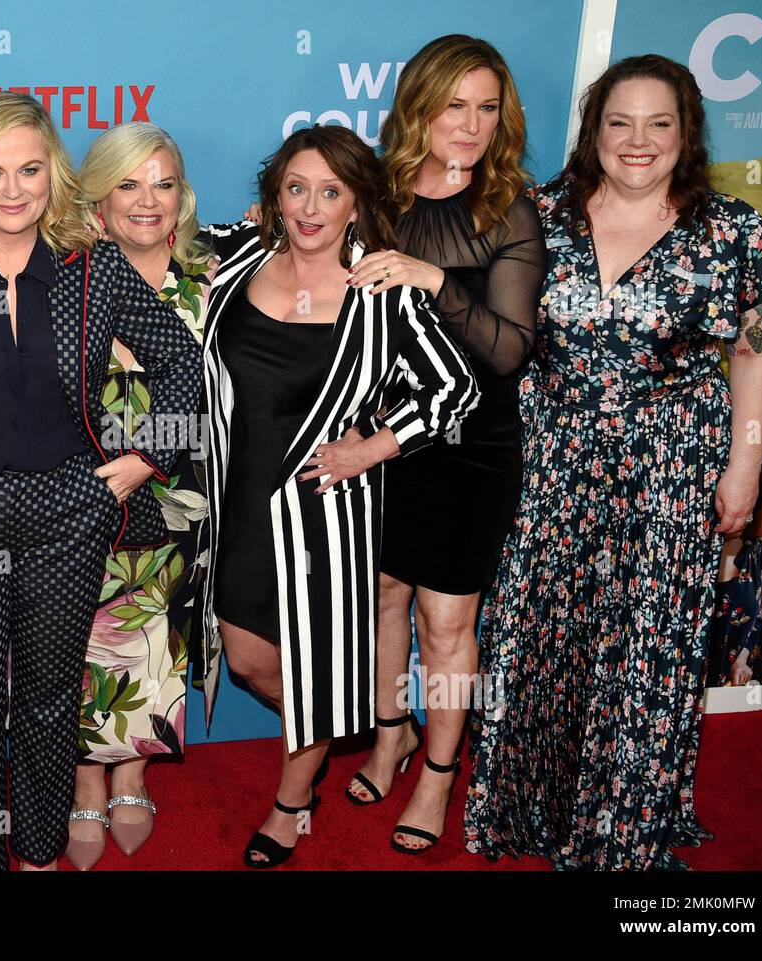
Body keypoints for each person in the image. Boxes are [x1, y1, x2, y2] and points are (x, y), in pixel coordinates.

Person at [465, 54, 762, 870]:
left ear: (687, 134)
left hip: (670, 468)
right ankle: (525, 803)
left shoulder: (733, 231)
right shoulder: (539, 214)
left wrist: (744, 469)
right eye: (619, 122)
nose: (637, 141)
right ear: (593, 132)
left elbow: (756, 358)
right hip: (548, 461)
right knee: (533, 637)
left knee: (642, 645)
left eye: (659, 123)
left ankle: (620, 824)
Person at [0, 92, 202, 872]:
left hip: (71, 509)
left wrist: (139, 464)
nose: (13, 188)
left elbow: (185, 363)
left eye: (29, 168)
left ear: (53, 173)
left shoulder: (95, 268)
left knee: (53, 705)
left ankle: (43, 852)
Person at [201, 124, 478, 868]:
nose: (312, 206)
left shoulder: (379, 290)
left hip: (326, 510)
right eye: (297, 188)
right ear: (275, 197)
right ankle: (350, 725)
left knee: (313, 662)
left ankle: (294, 799)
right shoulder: (238, 259)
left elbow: (456, 388)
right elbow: (154, 224)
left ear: (357, 202)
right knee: (249, 657)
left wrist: (372, 446)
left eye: (331, 191)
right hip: (239, 500)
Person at [342, 35, 544, 854]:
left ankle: (437, 769)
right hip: (383, 436)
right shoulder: (377, 195)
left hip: (470, 446)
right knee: (385, 598)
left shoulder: (509, 209)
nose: (470, 124)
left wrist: (434, 280)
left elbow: (508, 351)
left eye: (487, 107)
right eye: (453, 105)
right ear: (417, 109)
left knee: (448, 621)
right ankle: (390, 731)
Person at [65, 123, 215, 868]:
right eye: (127, 184)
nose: (147, 200)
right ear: (96, 199)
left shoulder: (214, 279)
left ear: (183, 196)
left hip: (176, 492)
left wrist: (145, 459)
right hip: (81, 493)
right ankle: (84, 774)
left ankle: (133, 770)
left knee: (157, 636)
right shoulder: (65, 277)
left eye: (163, 183)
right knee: (80, 637)